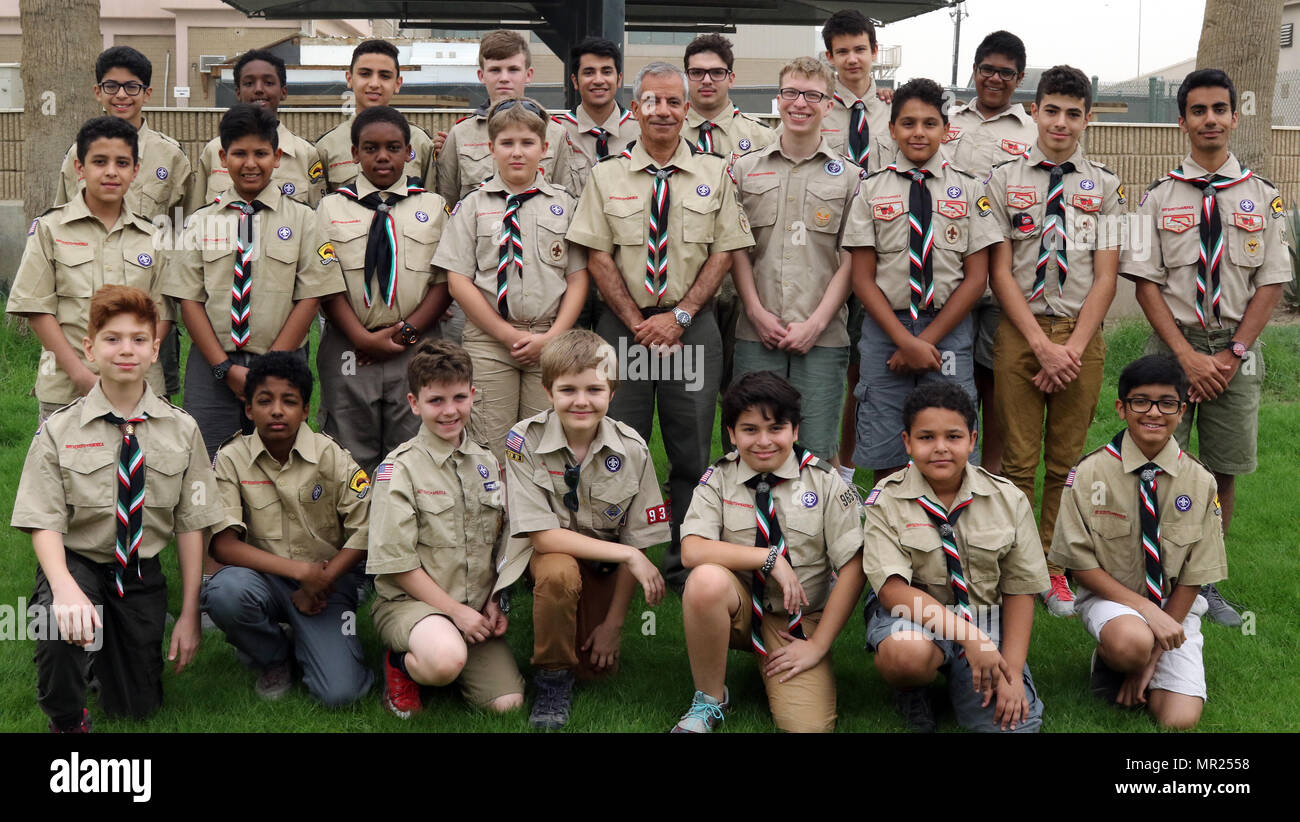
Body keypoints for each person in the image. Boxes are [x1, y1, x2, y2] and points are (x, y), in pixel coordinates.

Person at [566, 61, 755, 588]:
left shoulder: (715, 174)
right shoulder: (606, 175)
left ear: (686, 109)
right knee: (610, 443)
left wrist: (680, 317)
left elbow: (723, 254)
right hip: (623, 329)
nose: (663, 111)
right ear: (635, 109)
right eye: (652, 101)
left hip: (690, 328)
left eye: (674, 101)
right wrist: (636, 321)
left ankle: (681, 560)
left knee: (690, 447)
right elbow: (597, 255)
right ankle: (607, 555)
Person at [11, 285, 223, 732]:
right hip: (79, 562)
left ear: (154, 350)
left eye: (138, 339)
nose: (125, 349)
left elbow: (191, 527)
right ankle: (67, 718)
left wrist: (189, 614)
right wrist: (64, 588)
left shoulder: (182, 430)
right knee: (57, 623)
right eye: (112, 338)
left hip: (139, 574)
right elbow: (43, 521)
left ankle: (101, 657)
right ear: (90, 348)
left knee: (136, 708)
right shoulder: (59, 430)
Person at [1122, 68, 1288, 627]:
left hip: (1235, 350)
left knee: (1221, 470)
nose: (1210, 119)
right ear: (1182, 120)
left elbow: (1271, 282)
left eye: (1220, 109)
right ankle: (1155, 576)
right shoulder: (1154, 197)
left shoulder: (1265, 199)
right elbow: (1145, 282)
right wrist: (1186, 356)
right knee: (1157, 460)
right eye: (1199, 110)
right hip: (1174, 344)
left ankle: (1206, 582)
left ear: (1235, 117)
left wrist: (1233, 353)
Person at [986, 65, 1122, 617]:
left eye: (1073, 113)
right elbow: (998, 272)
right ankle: (1014, 563)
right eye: (1051, 110)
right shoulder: (1002, 179)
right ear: (1034, 111)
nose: (1061, 122)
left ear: (1087, 118)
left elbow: (1107, 275)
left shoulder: (1110, 185)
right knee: (1017, 460)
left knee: (1066, 462)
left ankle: (1054, 565)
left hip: (1080, 336)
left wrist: (1069, 347)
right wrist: (1040, 346)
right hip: (1021, 332)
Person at [673, 371, 866, 733]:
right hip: (738, 609)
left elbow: (855, 566)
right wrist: (768, 558)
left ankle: (787, 661)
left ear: (795, 431)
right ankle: (710, 699)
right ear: (731, 433)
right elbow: (691, 550)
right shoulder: (719, 478)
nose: (764, 441)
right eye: (749, 430)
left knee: (806, 728)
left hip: (798, 620)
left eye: (776, 428)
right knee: (704, 581)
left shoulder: (824, 482)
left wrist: (819, 644)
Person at [499, 330, 669, 729]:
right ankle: (552, 676)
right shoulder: (522, 440)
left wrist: (612, 626)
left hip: (603, 562)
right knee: (559, 573)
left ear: (612, 392)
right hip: (548, 555)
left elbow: (637, 540)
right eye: (568, 389)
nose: (581, 401)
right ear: (547, 391)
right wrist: (627, 554)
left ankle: (580, 626)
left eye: (594, 389)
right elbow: (542, 536)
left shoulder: (632, 448)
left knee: (596, 670)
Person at [1048, 355, 1227, 729]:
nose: (1154, 413)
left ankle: (1137, 660)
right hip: (1112, 601)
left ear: (1182, 410)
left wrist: (1156, 651)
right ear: (1121, 408)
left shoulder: (1199, 481)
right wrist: (1147, 617)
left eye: (1167, 403)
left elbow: (1196, 574)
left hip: (1175, 609)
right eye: (1140, 401)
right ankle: (1116, 656)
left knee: (1179, 721)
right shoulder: (1090, 473)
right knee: (1132, 642)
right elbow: (1079, 565)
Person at [862, 382, 1048, 733]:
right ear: (907, 442)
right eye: (926, 437)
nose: (941, 448)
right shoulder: (886, 500)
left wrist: (1011, 669)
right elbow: (893, 593)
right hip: (914, 617)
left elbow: (1020, 588)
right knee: (906, 655)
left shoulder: (1007, 499)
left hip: (984, 613)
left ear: (973, 440)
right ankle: (912, 689)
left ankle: (976, 678)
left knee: (1011, 728)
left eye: (954, 436)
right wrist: (971, 639)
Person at [842, 78, 1001, 484]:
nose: (918, 132)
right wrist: (904, 340)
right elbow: (862, 278)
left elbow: (977, 277)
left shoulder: (969, 190)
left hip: (947, 329)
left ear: (945, 130)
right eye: (908, 123)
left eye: (930, 124)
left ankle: (948, 529)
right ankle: (891, 530)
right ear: (892, 129)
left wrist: (923, 343)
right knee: (885, 440)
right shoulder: (870, 190)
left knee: (950, 435)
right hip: (886, 330)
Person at [163, 103, 344, 459]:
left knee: (281, 459)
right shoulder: (199, 223)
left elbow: (310, 297)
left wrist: (268, 367)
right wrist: (222, 367)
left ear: (277, 157)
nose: (250, 163)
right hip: (212, 366)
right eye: (239, 154)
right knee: (208, 459)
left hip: (281, 363)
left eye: (261, 153)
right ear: (222, 156)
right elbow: (189, 300)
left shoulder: (305, 220)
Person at [367, 340, 525, 718]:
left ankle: (447, 659)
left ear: (472, 395)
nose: (450, 411)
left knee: (507, 704)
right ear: (414, 403)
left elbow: (501, 542)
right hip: (411, 605)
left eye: (459, 397)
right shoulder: (399, 469)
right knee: (443, 660)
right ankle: (402, 665)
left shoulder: (486, 462)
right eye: (436, 400)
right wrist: (456, 612)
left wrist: (494, 601)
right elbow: (397, 564)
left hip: (471, 609)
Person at [205, 352, 372, 705]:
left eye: (289, 401)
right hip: (262, 580)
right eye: (265, 401)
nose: (277, 410)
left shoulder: (333, 457)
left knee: (340, 694)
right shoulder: (231, 458)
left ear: (306, 409)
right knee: (224, 592)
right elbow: (224, 546)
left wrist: (319, 581)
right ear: (249, 409)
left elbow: (367, 531)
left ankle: (308, 639)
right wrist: (300, 573)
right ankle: (273, 656)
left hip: (329, 582)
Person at [435, 98, 588, 464]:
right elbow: (459, 282)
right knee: (490, 448)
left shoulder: (565, 205)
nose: (517, 153)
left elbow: (578, 278)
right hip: (489, 343)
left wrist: (551, 338)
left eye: (527, 143)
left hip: (550, 339)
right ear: (491, 149)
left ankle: (543, 521)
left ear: (544, 149)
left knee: (546, 446)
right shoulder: (471, 205)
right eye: (506, 144)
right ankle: (497, 519)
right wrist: (506, 335)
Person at [730, 57, 856, 463]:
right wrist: (755, 311)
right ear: (778, 98)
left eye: (813, 95)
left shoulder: (850, 178)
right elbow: (737, 250)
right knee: (751, 447)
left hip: (821, 337)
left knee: (815, 453)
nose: (800, 103)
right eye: (791, 93)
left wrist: (816, 323)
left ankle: (813, 526)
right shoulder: (746, 170)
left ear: (830, 103)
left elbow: (851, 260)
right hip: (757, 332)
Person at [317, 105, 452, 474]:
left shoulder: (434, 207)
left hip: (417, 346)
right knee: (347, 456)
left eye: (393, 147)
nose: (382, 157)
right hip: (348, 346)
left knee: (414, 456)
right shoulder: (329, 209)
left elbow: (444, 282)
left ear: (409, 152)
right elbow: (324, 285)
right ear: (354, 153)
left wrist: (408, 332)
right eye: (370, 148)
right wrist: (362, 338)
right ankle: (356, 530)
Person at [8, 117, 169, 423]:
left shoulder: (152, 236)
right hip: (67, 388)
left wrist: (134, 367)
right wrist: (82, 376)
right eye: (99, 161)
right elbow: (36, 308)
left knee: (142, 469)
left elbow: (163, 313)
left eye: (122, 162)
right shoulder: (50, 229)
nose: (111, 171)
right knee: (67, 468)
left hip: (139, 388)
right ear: (79, 168)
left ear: (135, 170)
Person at [52, 45, 190, 399]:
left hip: (151, 299)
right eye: (111, 86)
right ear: (98, 91)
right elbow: (63, 218)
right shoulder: (76, 155)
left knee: (152, 404)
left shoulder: (170, 155)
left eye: (132, 86)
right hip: (86, 295)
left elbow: (185, 228)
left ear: (147, 92)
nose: (121, 95)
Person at [942, 30, 1039, 476]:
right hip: (949, 275)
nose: (995, 79)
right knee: (953, 383)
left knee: (998, 381)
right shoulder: (946, 120)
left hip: (1006, 278)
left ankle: (993, 473)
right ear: (975, 70)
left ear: (1018, 78)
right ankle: (954, 467)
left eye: (1006, 73)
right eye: (987, 70)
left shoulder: (1035, 130)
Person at [820, 9, 900, 488]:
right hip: (828, 258)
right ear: (829, 57)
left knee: (864, 376)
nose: (852, 59)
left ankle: (852, 469)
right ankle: (826, 467)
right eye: (842, 51)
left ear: (874, 52)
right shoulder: (815, 108)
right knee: (829, 368)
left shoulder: (894, 112)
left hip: (884, 258)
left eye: (860, 49)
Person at [435, 29, 577, 206]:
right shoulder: (460, 134)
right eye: (495, 70)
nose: (504, 78)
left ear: (529, 75)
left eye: (513, 70)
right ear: (481, 75)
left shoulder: (555, 134)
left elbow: (566, 202)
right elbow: (446, 203)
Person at [189, 49, 326, 211]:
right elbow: (196, 213)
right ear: (238, 93)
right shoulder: (214, 150)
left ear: (283, 92)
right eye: (249, 83)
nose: (259, 89)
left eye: (269, 83)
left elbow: (318, 216)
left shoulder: (305, 153)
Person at [315, 40, 438, 193]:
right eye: (365, 74)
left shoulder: (420, 143)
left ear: (398, 83)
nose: (374, 83)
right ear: (349, 79)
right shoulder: (326, 147)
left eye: (384, 76)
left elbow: (432, 205)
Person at [552, 37, 639, 193]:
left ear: (619, 79)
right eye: (589, 72)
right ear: (575, 81)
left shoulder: (641, 131)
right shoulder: (556, 131)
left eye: (606, 72)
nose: (598, 80)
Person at [680, 34, 773, 161]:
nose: (707, 80)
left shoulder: (762, 137)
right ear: (686, 79)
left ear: (731, 79)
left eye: (717, 72)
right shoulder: (666, 134)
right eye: (697, 72)